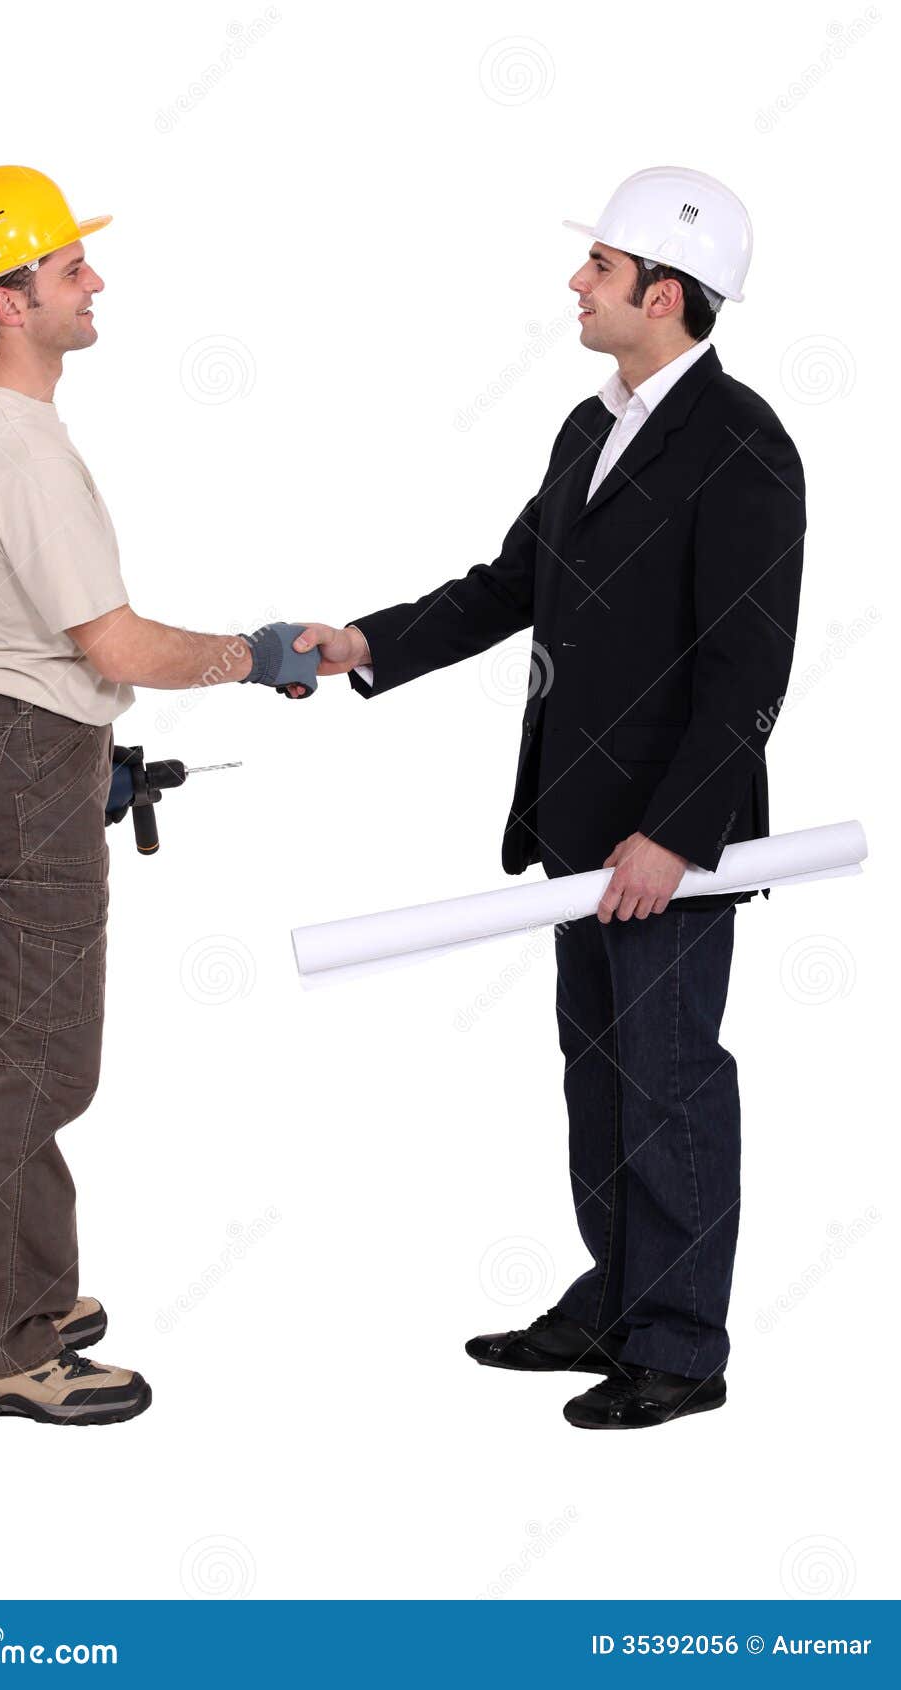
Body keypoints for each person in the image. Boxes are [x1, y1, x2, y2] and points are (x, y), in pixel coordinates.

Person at [290, 167, 805, 1430]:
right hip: (580, 832)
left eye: (599, 269)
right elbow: (507, 580)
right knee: (597, 1072)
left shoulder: (740, 445)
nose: (575, 284)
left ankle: (678, 1345)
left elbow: (749, 669)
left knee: (669, 1076)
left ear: (664, 293)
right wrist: (365, 641)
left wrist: (675, 837)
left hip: (667, 852)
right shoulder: (591, 428)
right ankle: (618, 1295)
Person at [0, 165, 316, 1426]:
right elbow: (117, 649)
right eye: (70, 267)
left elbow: (25, 650)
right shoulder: (15, 447)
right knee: (41, 1059)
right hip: (17, 759)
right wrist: (259, 654)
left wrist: (83, 750)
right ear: (7, 299)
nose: (95, 282)